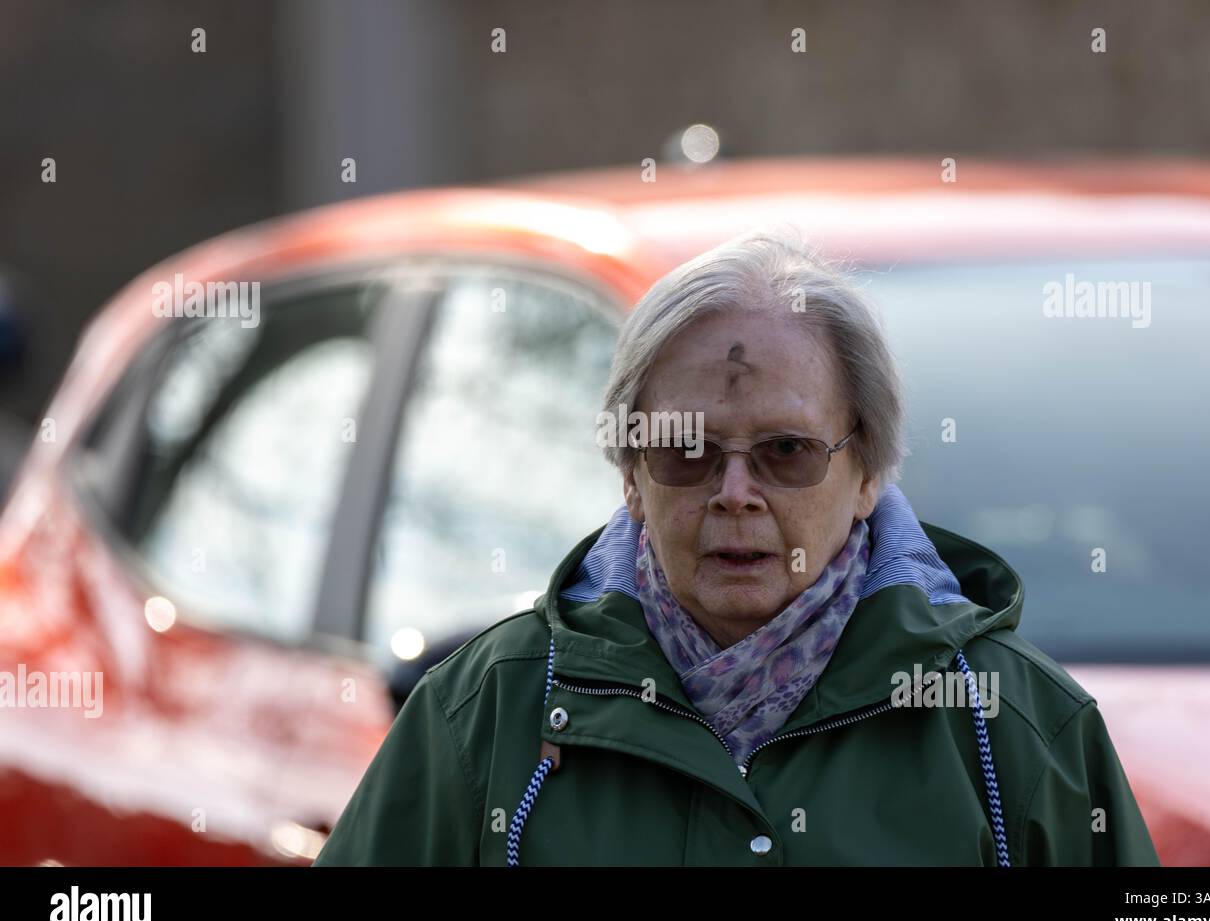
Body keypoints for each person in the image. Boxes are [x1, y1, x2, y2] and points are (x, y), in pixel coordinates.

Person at [314, 228, 1160, 866]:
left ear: (866, 471)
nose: (734, 494)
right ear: (630, 474)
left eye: (786, 452)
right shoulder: (484, 718)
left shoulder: (1014, 729)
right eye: (687, 451)